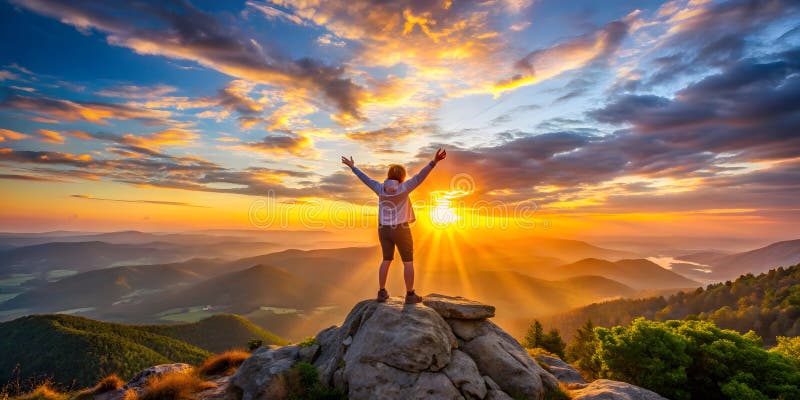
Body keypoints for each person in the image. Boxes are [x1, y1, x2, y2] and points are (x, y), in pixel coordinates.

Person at [341, 148, 447, 304]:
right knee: (408, 262)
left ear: (389, 175)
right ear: (402, 177)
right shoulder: (404, 188)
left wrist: (353, 167)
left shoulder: (379, 188)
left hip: (383, 229)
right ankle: (410, 295)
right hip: (401, 229)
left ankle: (381, 292)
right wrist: (434, 162)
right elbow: (421, 176)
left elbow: (365, 178)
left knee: (386, 259)